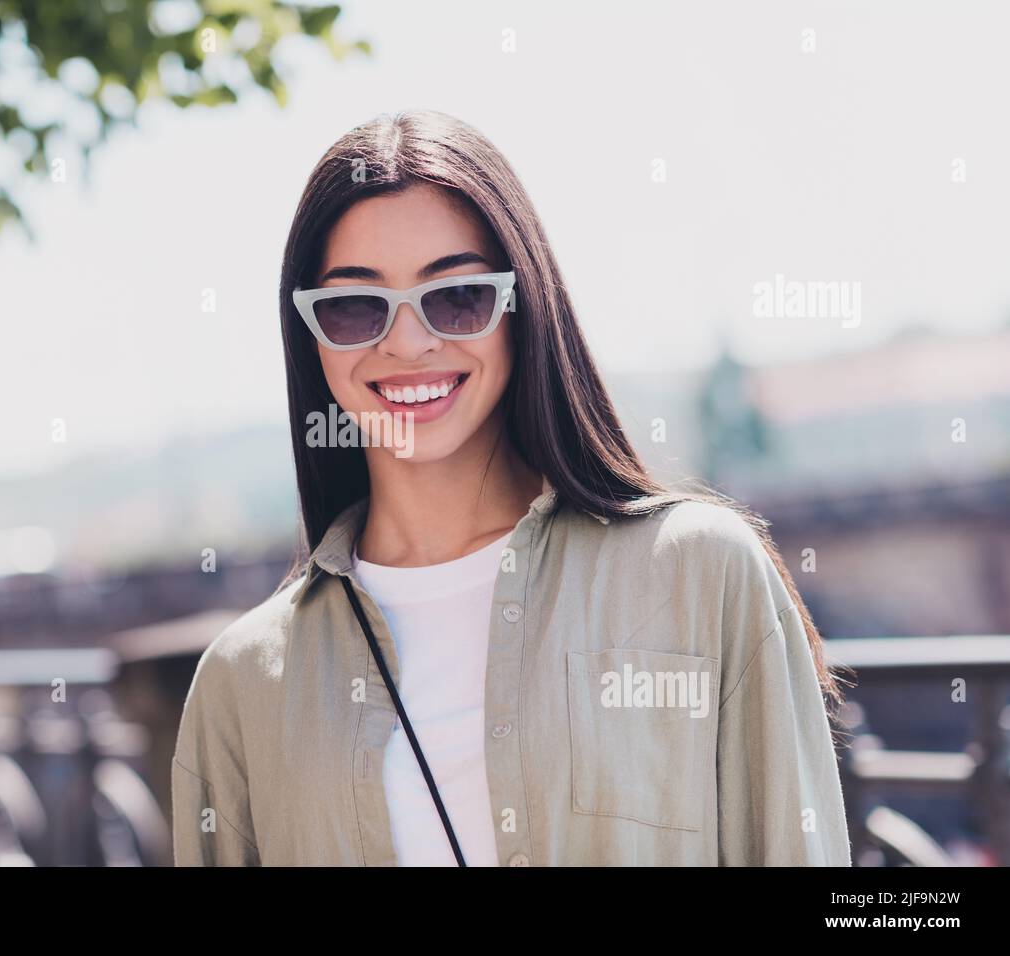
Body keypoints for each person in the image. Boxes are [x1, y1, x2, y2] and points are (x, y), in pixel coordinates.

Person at [171, 109, 851, 866]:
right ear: (312, 335)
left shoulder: (700, 575)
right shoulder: (241, 685)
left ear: (521, 304)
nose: (408, 342)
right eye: (356, 306)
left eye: (456, 296)